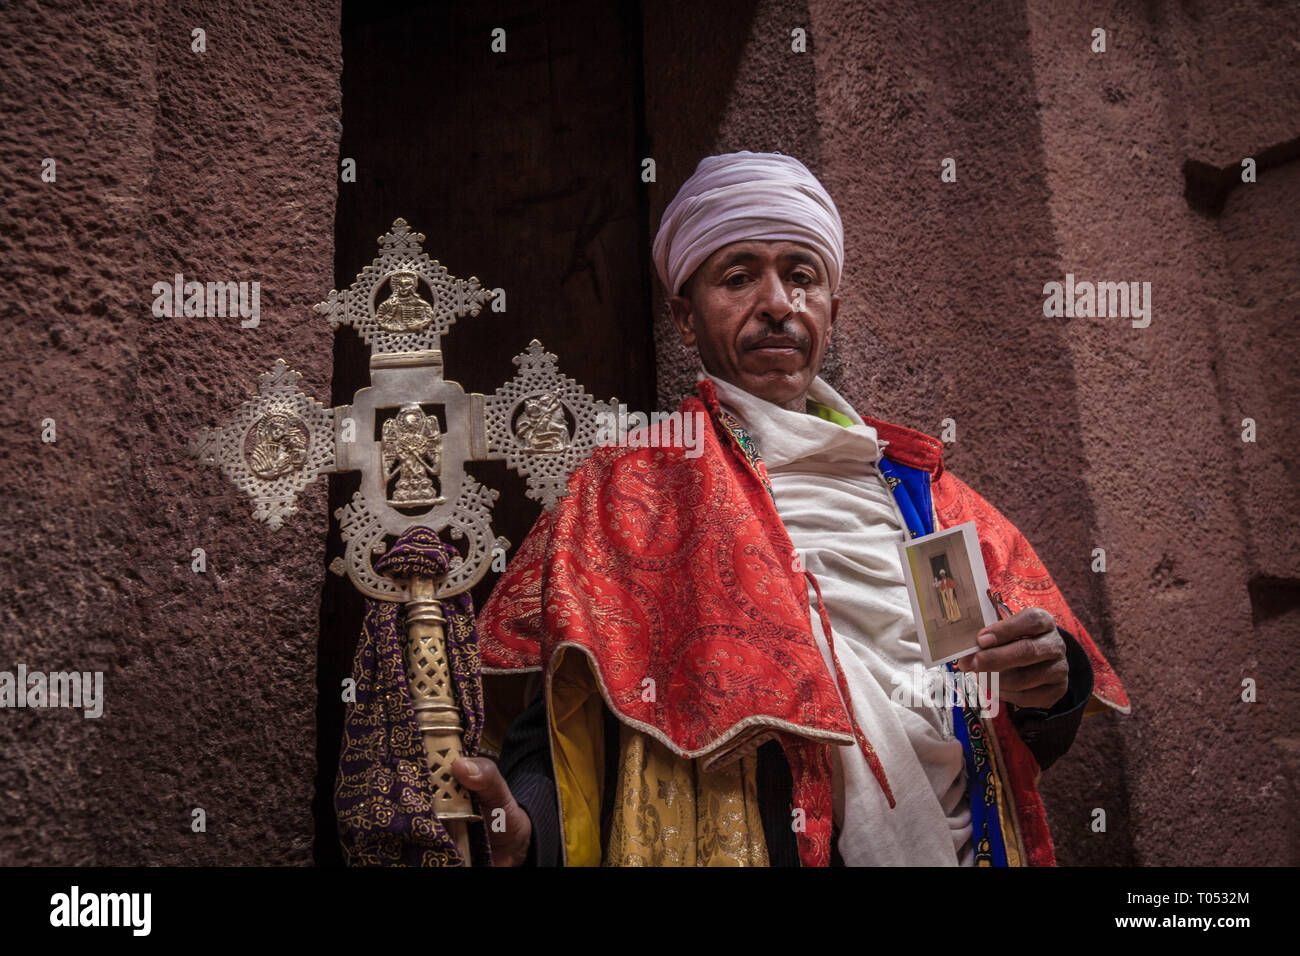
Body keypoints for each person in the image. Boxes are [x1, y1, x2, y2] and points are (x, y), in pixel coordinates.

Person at [455, 150, 1129, 867]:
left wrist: (1045, 686)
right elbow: (569, 713)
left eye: (801, 276)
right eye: (739, 277)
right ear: (685, 317)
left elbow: (1003, 725)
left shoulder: (924, 500)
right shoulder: (629, 491)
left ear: (830, 314)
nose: (778, 302)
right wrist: (523, 839)